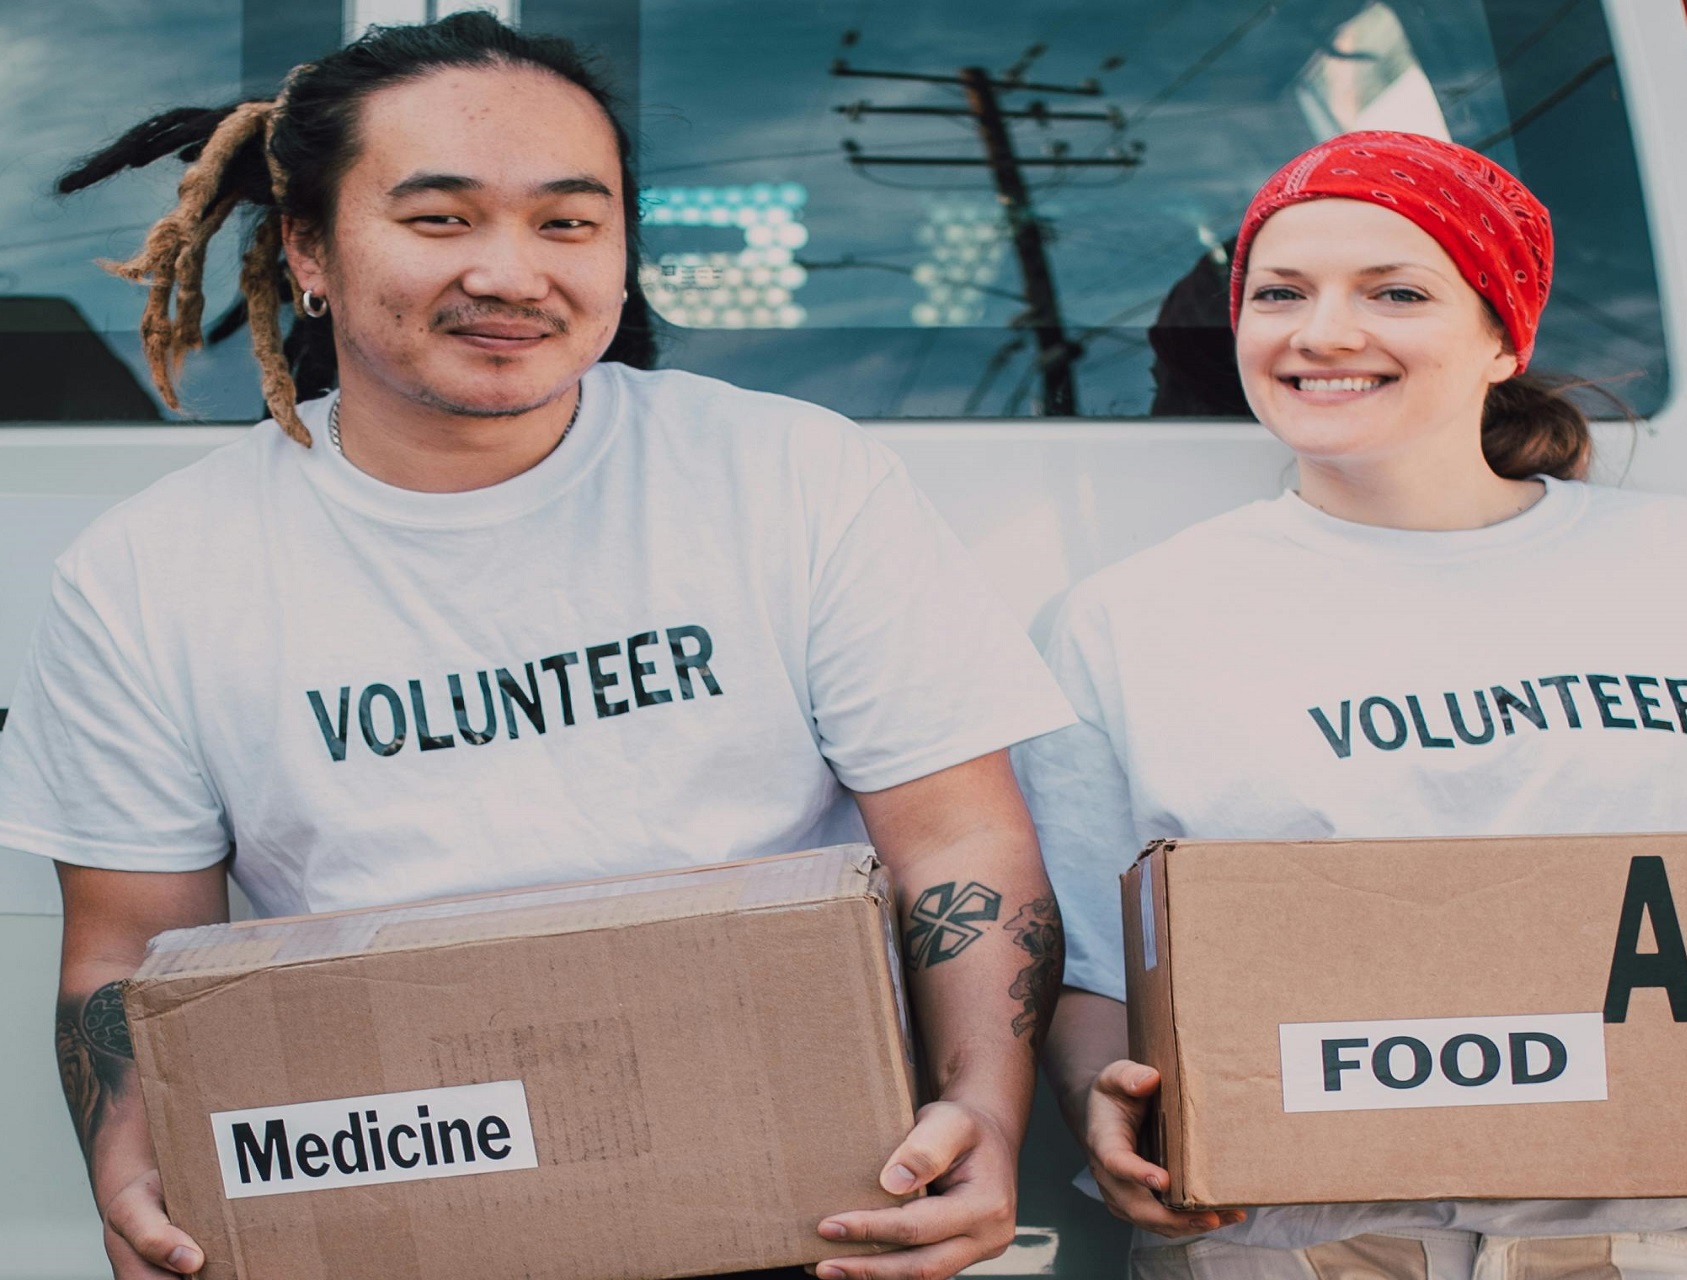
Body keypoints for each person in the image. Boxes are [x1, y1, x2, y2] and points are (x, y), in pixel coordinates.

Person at [0, 15, 1074, 1280]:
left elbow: (960, 837)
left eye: (569, 222)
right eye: (441, 219)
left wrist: (988, 1113)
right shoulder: (151, 571)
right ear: (307, 249)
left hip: (807, 1207)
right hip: (395, 1218)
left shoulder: (793, 475)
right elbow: (129, 949)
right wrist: (132, 1160)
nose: (513, 273)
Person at [1015, 130, 1687, 1280]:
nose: (1324, 330)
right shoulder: (1128, 616)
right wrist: (1103, 1104)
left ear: (1502, 336)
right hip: (1303, 1252)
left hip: (1651, 1243)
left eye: (1395, 291)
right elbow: (1093, 960)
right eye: (1280, 292)